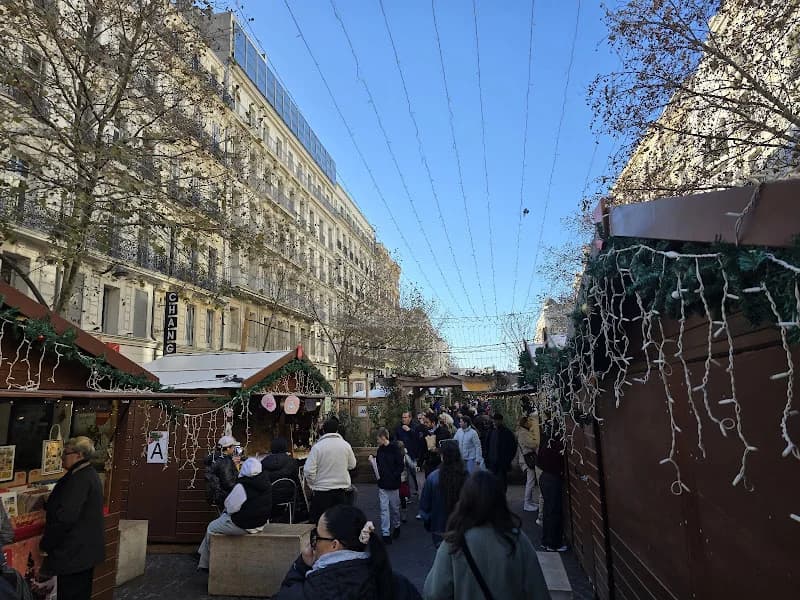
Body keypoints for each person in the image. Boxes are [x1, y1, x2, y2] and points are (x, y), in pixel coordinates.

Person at [422, 470, 549, 599]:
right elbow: (538, 591)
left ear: (465, 501)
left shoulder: (453, 544)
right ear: (499, 501)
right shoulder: (518, 540)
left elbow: (434, 593)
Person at [273, 504, 421, 600]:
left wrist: (300, 567)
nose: (313, 543)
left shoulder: (309, 590)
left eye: (316, 536)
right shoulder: (395, 582)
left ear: (334, 545)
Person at [40, 436, 105, 600]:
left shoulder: (79, 478)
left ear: (79, 455)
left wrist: (47, 543)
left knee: (71, 594)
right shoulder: (87, 473)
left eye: (65, 453)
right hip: (83, 554)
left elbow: (66, 517)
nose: (62, 457)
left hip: (74, 555)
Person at [197, 457, 272, 571]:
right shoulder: (266, 483)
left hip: (243, 525)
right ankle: (202, 553)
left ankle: (205, 564)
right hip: (259, 524)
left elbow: (231, 508)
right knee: (220, 520)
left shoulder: (242, 486)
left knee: (211, 527)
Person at [304, 418, 357, 524]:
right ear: (337, 430)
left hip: (321, 493)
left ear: (323, 431)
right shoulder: (345, 445)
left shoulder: (318, 447)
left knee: (320, 524)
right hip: (341, 492)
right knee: (339, 525)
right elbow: (352, 465)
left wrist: (313, 483)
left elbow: (309, 470)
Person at [418, 441, 468, 547]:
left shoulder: (433, 478)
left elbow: (425, 506)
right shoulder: (466, 476)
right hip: (462, 527)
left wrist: (428, 521)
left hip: (439, 528)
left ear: (442, 456)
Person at [538, 421, 566, 552]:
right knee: (554, 511)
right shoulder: (556, 444)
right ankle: (553, 543)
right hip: (553, 478)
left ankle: (546, 540)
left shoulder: (545, 443)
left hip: (545, 477)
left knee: (548, 510)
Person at [373, 428, 403, 544]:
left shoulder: (394, 449)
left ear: (383, 437)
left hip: (392, 483)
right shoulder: (381, 450)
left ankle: (396, 525)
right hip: (384, 483)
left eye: (378, 438)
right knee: (384, 508)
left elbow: (400, 465)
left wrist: (393, 475)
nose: (377, 440)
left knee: (394, 508)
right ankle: (386, 532)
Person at [204, 435, 240, 509]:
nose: (234, 449)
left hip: (215, 495)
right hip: (224, 497)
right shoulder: (225, 461)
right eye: (233, 447)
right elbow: (228, 483)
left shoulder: (215, 458)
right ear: (227, 448)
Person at [485, 413, 517, 493]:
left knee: (502, 483)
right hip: (492, 462)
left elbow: (512, 447)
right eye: (493, 420)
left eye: (496, 420)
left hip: (502, 463)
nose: (494, 422)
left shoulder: (507, 433)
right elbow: (486, 446)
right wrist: (486, 458)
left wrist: (507, 459)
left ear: (500, 421)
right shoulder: (490, 431)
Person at [394, 412, 423, 496]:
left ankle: (418, 490)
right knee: (404, 475)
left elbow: (418, 438)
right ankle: (406, 494)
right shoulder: (399, 427)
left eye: (405, 417)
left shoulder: (415, 426)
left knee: (414, 473)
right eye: (402, 417)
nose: (403, 419)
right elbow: (395, 439)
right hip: (402, 454)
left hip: (412, 454)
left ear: (410, 418)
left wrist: (409, 430)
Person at [516, 414, 541, 513]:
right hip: (527, 459)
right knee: (530, 481)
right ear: (525, 423)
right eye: (529, 421)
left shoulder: (523, 432)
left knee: (530, 480)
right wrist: (536, 441)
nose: (531, 423)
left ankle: (529, 502)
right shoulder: (523, 433)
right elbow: (532, 444)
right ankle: (527, 503)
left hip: (527, 459)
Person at [418, 412, 451, 478]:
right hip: (429, 463)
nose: (425, 424)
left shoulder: (444, 432)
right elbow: (422, 448)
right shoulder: (425, 432)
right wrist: (419, 463)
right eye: (424, 422)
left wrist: (438, 450)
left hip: (440, 464)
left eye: (427, 422)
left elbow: (449, 449)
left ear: (433, 423)